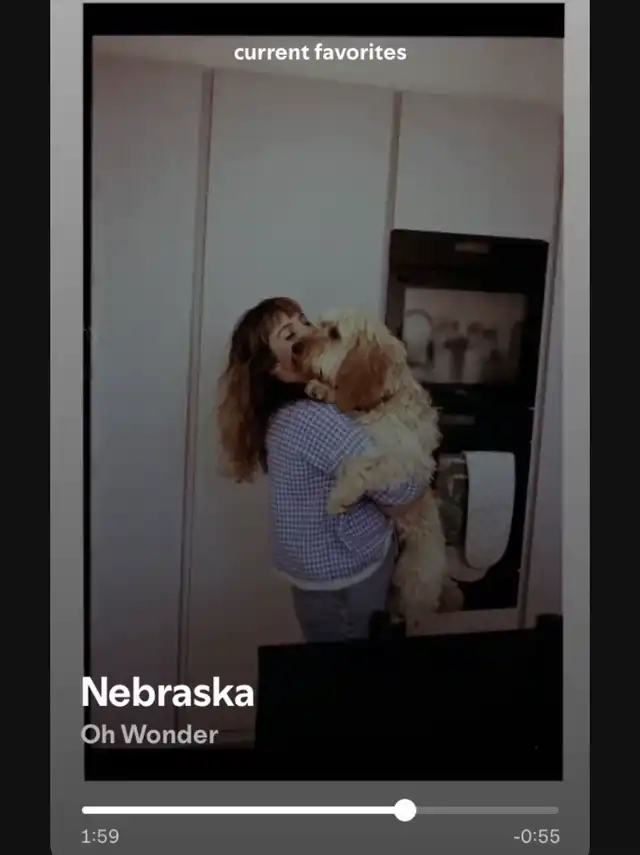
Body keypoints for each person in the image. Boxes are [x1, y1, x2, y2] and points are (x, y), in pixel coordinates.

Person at [217, 297, 427, 642]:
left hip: (321, 575)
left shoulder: (291, 412)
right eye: (290, 335)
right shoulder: (313, 419)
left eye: (304, 321)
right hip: (348, 576)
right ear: (275, 368)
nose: (308, 333)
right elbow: (403, 495)